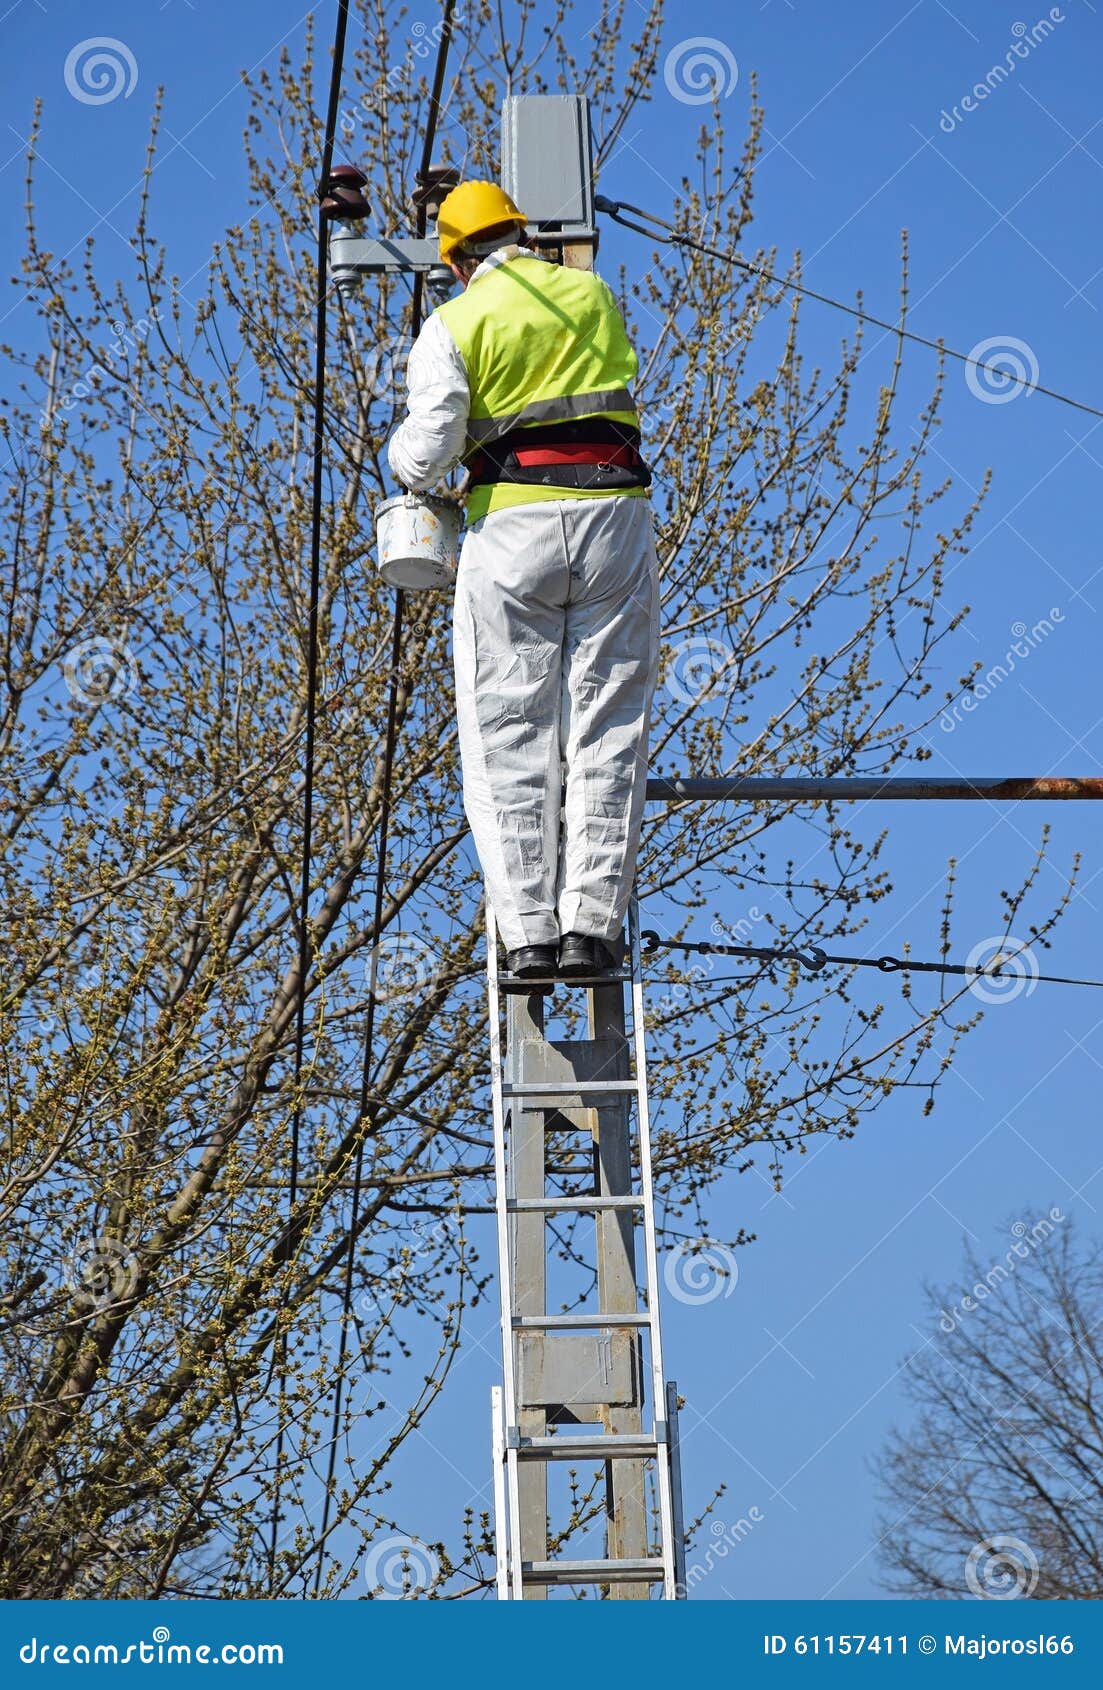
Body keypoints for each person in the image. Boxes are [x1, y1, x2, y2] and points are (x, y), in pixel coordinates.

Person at [387, 180, 660, 980]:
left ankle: (530, 934)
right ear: (519, 234)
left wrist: (399, 462)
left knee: (507, 732)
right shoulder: (590, 293)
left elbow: (429, 448)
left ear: (455, 259)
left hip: (512, 529)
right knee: (607, 725)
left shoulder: (454, 321)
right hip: (614, 516)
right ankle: (591, 928)